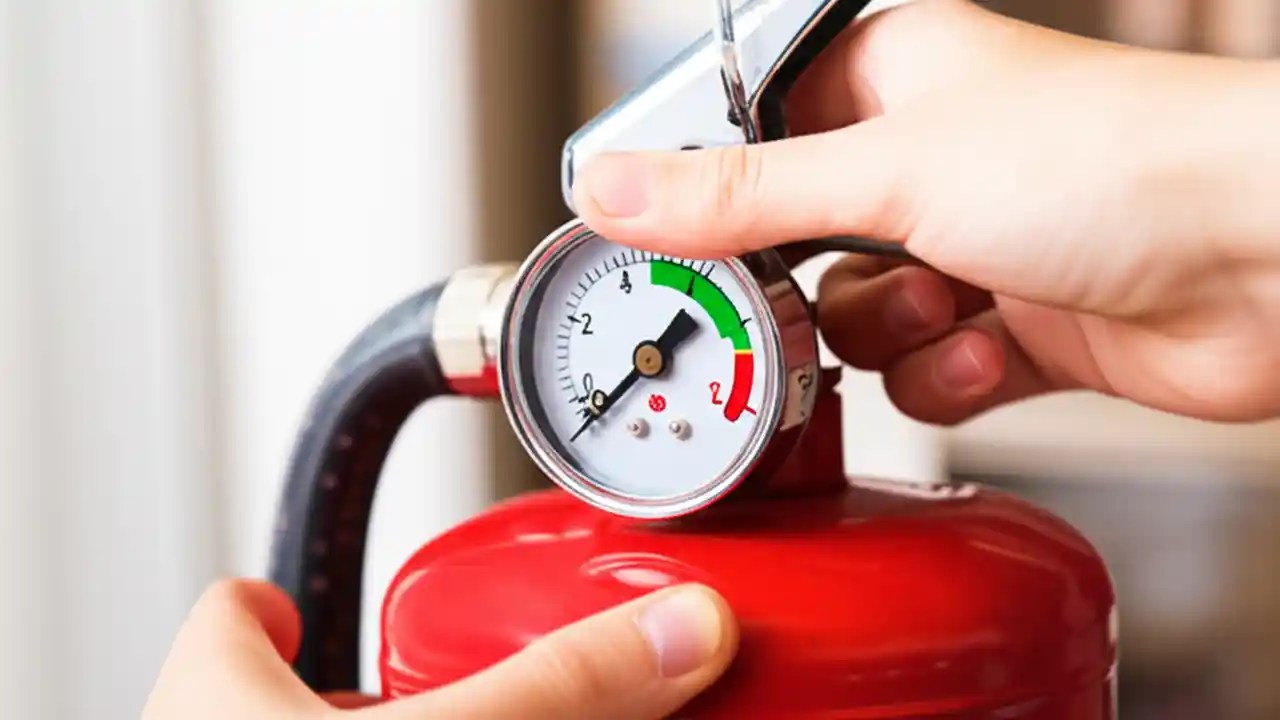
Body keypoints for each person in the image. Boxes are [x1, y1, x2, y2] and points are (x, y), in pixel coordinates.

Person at [144, 1, 1280, 717]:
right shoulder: (1025, 577)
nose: (652, 360)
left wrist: (1223, 210)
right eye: (644, 364)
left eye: (673, 355)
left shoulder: (454, 605)